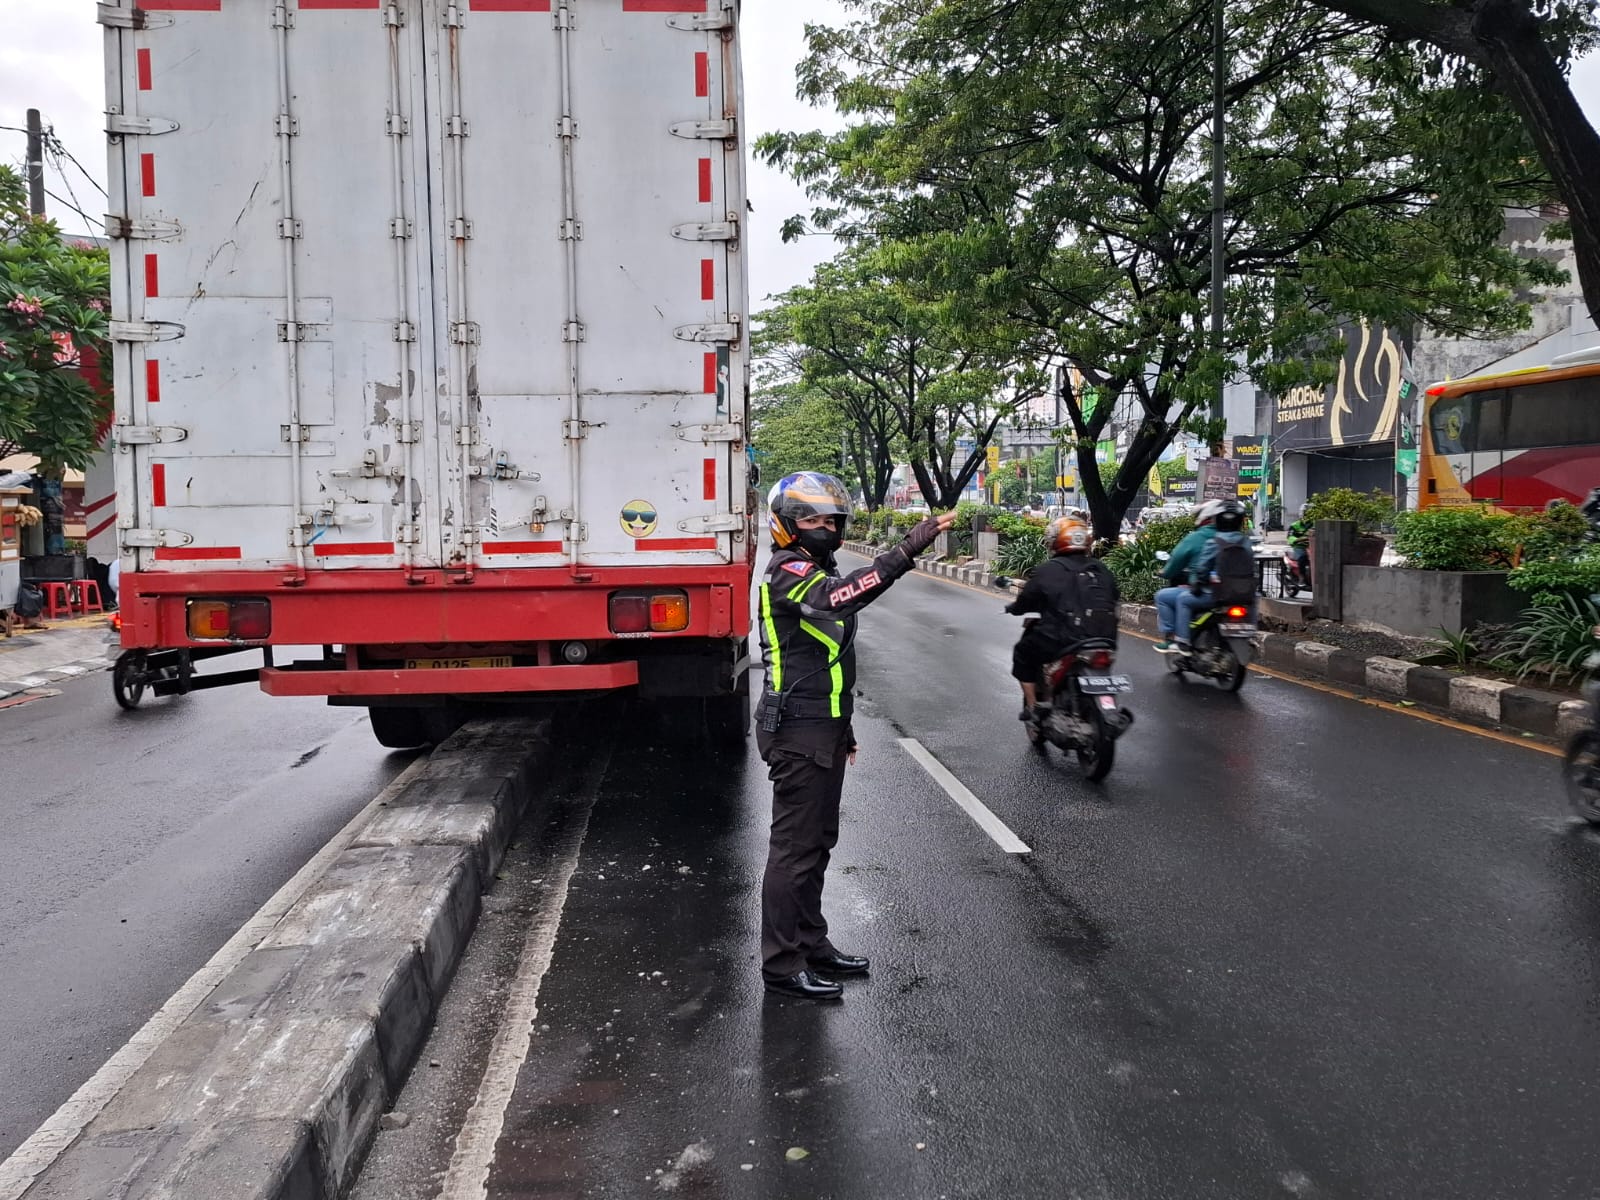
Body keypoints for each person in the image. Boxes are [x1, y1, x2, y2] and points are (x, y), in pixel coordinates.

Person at [756, 471, 955, 1003]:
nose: (824, 527)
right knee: (793, 852)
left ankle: (812, 944)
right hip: (795, 725)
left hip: (820, 724)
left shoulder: (815, 566)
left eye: (830, 519)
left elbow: (831, 659)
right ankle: (781, 964)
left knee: (817, 845)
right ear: (786, 525)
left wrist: (842, 730)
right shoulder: (788, 571)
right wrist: (907, 548)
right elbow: (839, 599)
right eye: (811, 519)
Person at [1005, 517, 1120, 717]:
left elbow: (1026, 600)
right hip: (1105, 639)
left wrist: (1014, 608)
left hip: (1064, 639)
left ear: (1056, 541)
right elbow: (1115, 596)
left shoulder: (1048, 570)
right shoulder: (1102, 569)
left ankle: (1032, 707)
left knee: (1022, 652)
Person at [1153, 500, 1223, 651]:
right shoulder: (1235, 537)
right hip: (1236, 594)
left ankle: (1176, 640)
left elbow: (1175, 561)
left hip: (1207, 593)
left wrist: (1164, 573)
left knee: (1163, 597)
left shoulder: (1196, 537)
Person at [1286, 503, 1313, 586]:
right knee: (1303, 559)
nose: (1307, 515)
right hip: (1299, 547)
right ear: (1302, 513)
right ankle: (1302, 578)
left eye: (1310, 513)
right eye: (1306, 513)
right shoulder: (1295, 525)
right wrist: (1297, 540)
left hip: (1312, 547)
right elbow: (1290, 537)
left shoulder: (1314, 524)